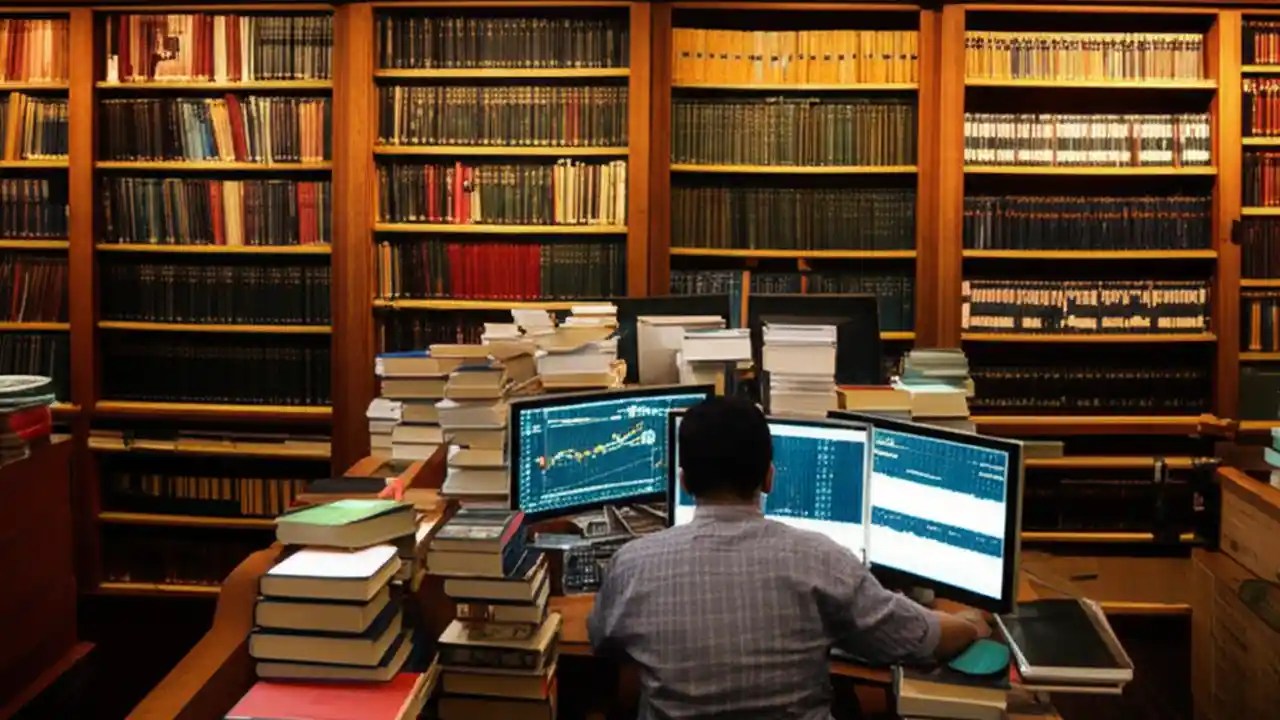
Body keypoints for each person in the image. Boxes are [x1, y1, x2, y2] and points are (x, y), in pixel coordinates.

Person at [587, 396, 991, 720]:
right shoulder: (822, 561)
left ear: (684, 480)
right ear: (769, 477)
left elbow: (601, 639)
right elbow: (918, 640)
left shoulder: (632, 565)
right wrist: (972, 625)